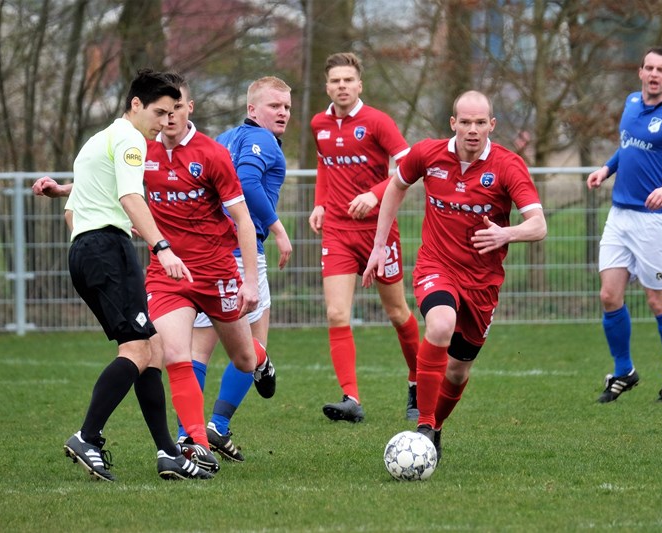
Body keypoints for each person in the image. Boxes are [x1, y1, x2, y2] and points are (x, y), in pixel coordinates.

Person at [363, 90, 547, 463]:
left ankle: (435, 428)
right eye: (465, 122)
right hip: (437, 265)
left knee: (459, 371)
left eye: (480, 122)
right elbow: (396, 186)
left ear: (492, 125)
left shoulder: (508, 165)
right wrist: (379, 246)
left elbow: (538, 225)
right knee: (440, 324)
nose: (472, 130)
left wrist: (506, 234)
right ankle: (424, 426)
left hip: (482, 281)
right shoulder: (427, 154)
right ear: (453, 123)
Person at [51, 68, 212, 481]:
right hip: (108, 251)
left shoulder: (98, 140)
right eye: (159, 112)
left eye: (172, 113)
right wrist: (162, 246)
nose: (164, 122)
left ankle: (168, 453)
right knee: (138, 351)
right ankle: (87, 436)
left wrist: (101, 227)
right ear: (136, 104)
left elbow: (77, 210)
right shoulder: (130, 140)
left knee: (152, 348)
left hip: (87, 250)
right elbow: (129, 196)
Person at [177, 76, 293, 462]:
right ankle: (217, 424)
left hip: (208, 252)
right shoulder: (262, 141)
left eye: (286, 107)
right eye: (274, 105)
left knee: (199, 348)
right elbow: (246, 181)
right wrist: (277, 228)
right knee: (254, 345)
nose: (282, 113)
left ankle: (188, 437)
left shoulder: (222, 139)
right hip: (242, 253)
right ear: (252, 109)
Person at [586, 46, 662, 404]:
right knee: (609, 296)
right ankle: (624, 371)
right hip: (620, 214)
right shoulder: (632, 103)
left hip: (656, 221)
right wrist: (606, 169)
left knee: (658, 301)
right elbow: (628, 147)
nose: (654, 74)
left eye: (661, 70)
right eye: (649, 68)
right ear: (640, 72)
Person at [309, 52, 421, 423]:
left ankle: (418, 382)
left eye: (348, 80)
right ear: (327, 86)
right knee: (336, 313)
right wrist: (320, 203)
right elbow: (324, 164)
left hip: (378, 231)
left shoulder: (377, 121)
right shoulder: (319, 123)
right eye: (335, 81)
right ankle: (351, 399)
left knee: (397, 311)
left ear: (359, 85)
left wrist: (375, 194)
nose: (342, 86)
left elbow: (409, 165)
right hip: (338, 231)